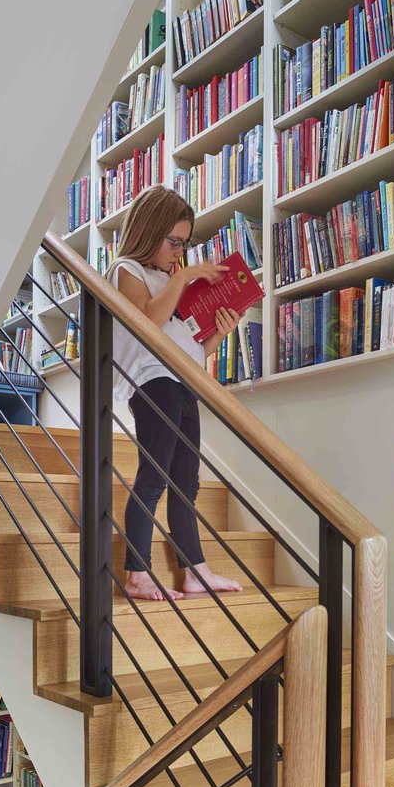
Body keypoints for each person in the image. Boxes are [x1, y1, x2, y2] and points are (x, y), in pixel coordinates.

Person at [109, 185, 243, 602]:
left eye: (184, 245)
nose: (178, 253)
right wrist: (183, 277)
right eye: (174, 242)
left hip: (184, 382)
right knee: (153, 478)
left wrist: (216, 337)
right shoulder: (126, 270)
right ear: (150, 230)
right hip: (153, 384)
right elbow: (148, 323)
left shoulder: (169, 280)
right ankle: (137, 572)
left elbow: (184, 346)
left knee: (187, 483)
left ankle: (194, 570)